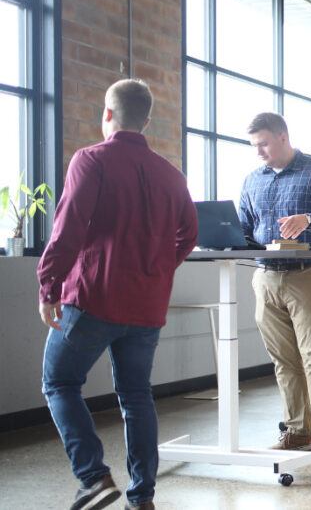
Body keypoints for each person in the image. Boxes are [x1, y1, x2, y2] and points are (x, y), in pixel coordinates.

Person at [37, 79, 198, 510]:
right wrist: (158, 268)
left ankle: (93, 478)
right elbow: (190, 234)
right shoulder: (172, 174)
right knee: (135, 394)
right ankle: (141, 497)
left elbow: (68, 229)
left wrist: (49, 284)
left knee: (59, 382)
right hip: (146, 307)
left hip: (93, 298)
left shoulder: (91, 159)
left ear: (107, 113)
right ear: (147, 121)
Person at [239, 112, 311, 452]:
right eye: (253, 146)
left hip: (307, 276)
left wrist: (309, 220)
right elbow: (246, 230)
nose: (258, 151)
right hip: (265, 279)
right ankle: (298, 431)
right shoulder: (251, 181)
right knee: (284, 361)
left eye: (263, 144)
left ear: (283, 137)